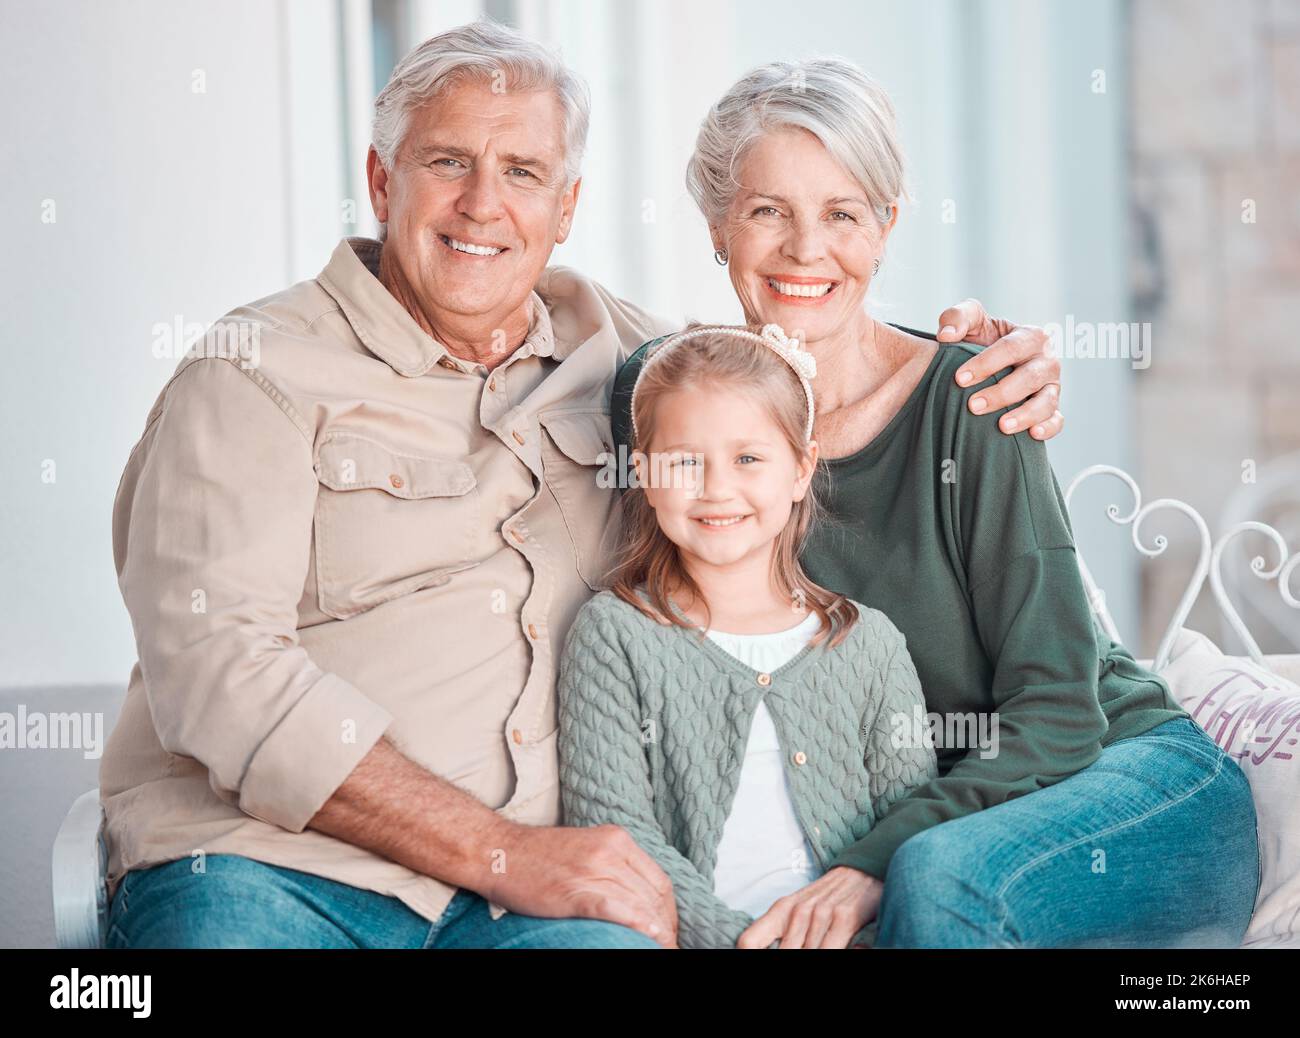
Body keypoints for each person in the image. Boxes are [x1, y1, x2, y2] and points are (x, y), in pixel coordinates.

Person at [101, 20, 1068, 949]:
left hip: (536, 907)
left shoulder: (624, 353)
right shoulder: (254, 373)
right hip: (268, 870)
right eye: (447, 163)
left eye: (522, 173)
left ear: (566, 210)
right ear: (380, 179)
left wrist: (974, 360)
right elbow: (219, 675)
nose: (484, 204)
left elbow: (775, 371)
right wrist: (502, 850)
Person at [609, 56, 1261, 948]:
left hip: (1122, 787)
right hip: (945, 835)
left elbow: (1062, 710)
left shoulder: (975, 396)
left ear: (885, 228)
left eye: (842, 213)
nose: (807, 249)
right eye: (768, 211)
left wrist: (872, 861)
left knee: (939, 878)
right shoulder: (669, 414)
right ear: (718, 227)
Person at [559, 322, 939, 949]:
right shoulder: (616, 634)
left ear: (799, 470)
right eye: (685, 461)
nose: (716, 488)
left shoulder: (868, 645)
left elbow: (908, 826)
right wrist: (737, 942)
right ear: (645, 475)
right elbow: (616, 826)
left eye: (748, 458)